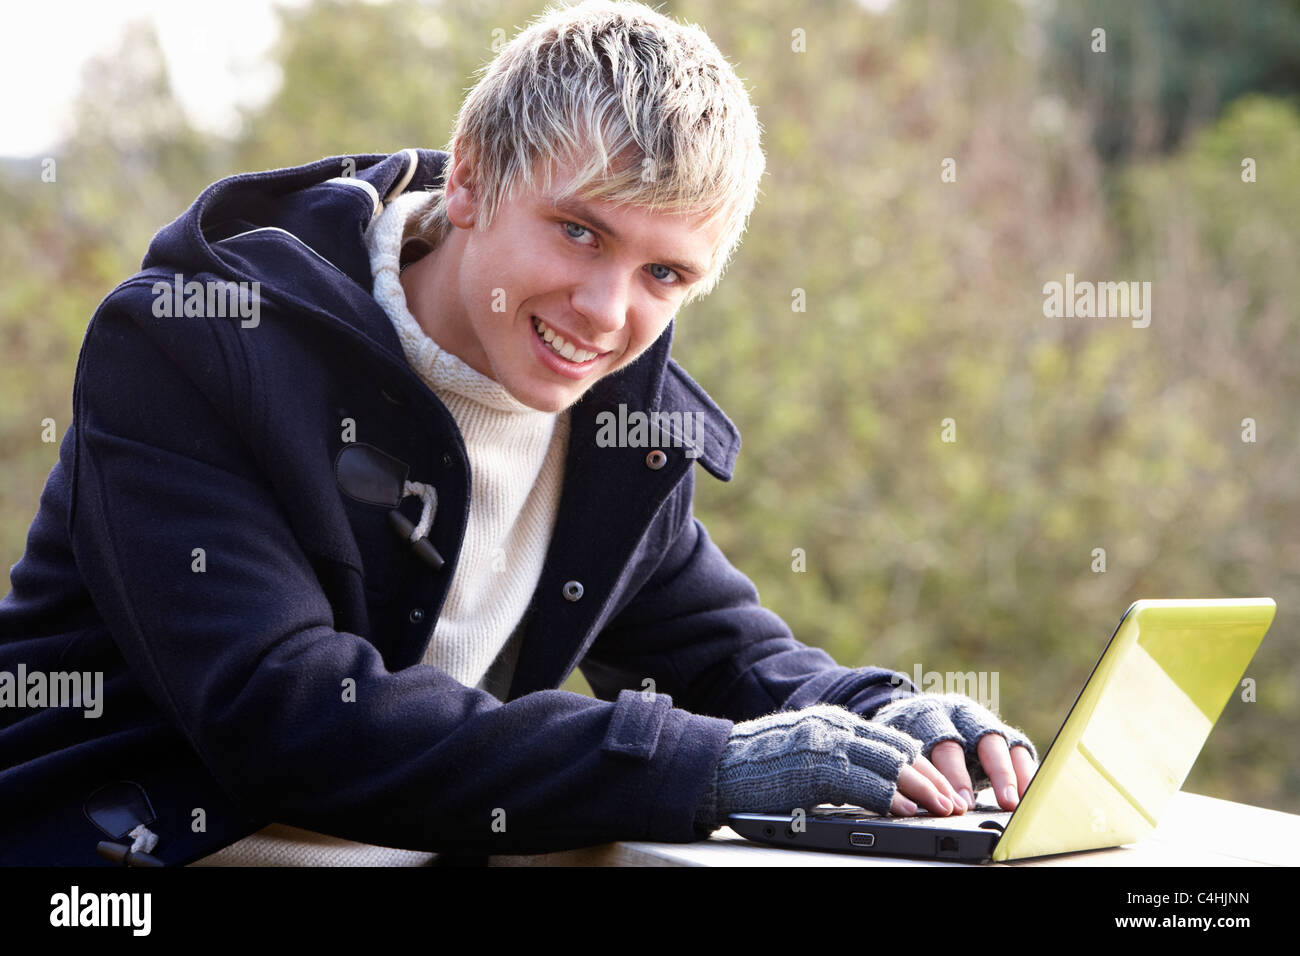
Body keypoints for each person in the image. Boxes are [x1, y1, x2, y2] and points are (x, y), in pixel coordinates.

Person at [0, 0, 1035, 866]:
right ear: (469, 180)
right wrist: (699, 763)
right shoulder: (195, 346)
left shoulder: (618, 421)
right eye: (580, 230)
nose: (603, 309)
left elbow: (720, 655)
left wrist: (894, 718)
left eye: (663, 275)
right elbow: (286, 715)